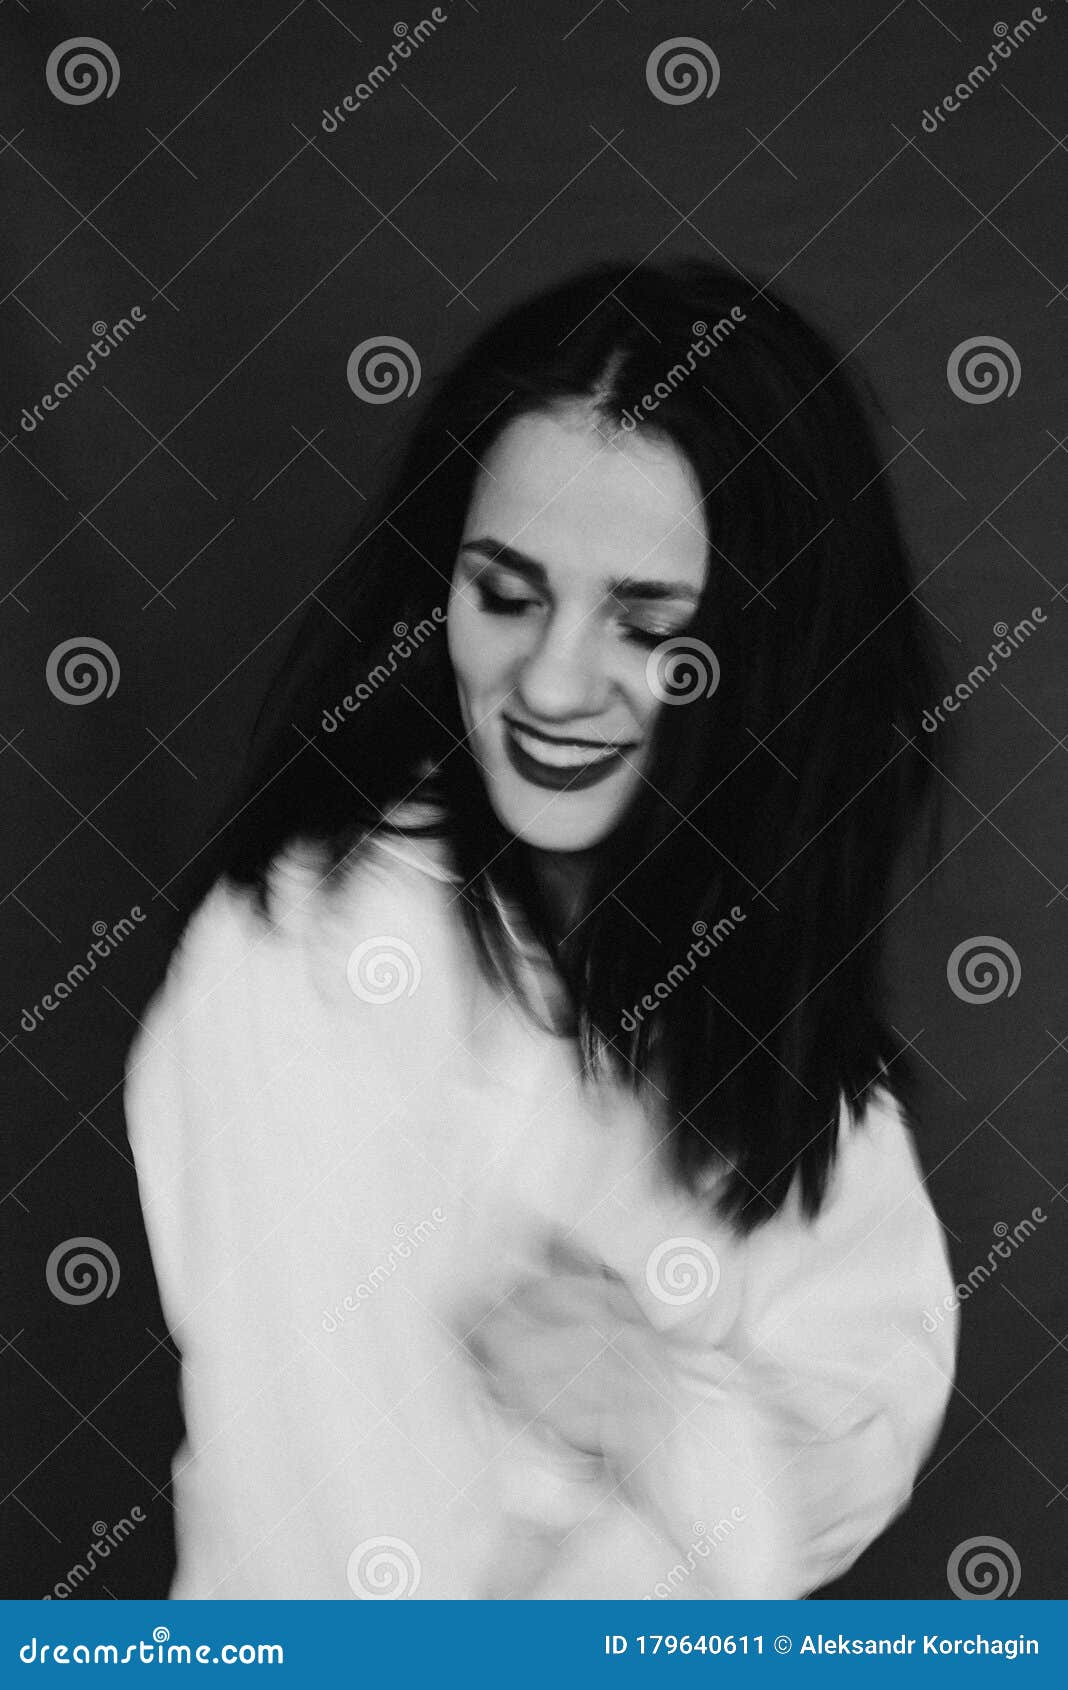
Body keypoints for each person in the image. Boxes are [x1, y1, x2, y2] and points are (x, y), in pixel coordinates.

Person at [124, 258, 959, 1600]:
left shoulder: (733, 967)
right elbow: (354, 1577)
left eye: (646, 624)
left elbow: (866, 1398)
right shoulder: (311, 964)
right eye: (507, 595)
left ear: (773, 658)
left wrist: (660, 1413)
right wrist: (692, 1466)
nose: (554, 684)